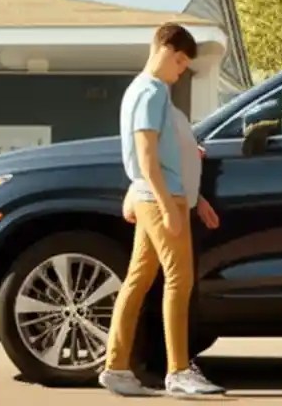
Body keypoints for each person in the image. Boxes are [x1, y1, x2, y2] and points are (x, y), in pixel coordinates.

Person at [99, 23, 225, 397]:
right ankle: (179, 371)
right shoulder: (151, 91)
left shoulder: (143, 91)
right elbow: (146, 154)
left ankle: (117, 368)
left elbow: (162, 156)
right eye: (180, 61)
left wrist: (191, 198)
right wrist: (169, 206)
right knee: (179, 280)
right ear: (165, 49)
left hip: (156, 195)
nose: (181, 70)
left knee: (138, 279)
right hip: (161, 198)